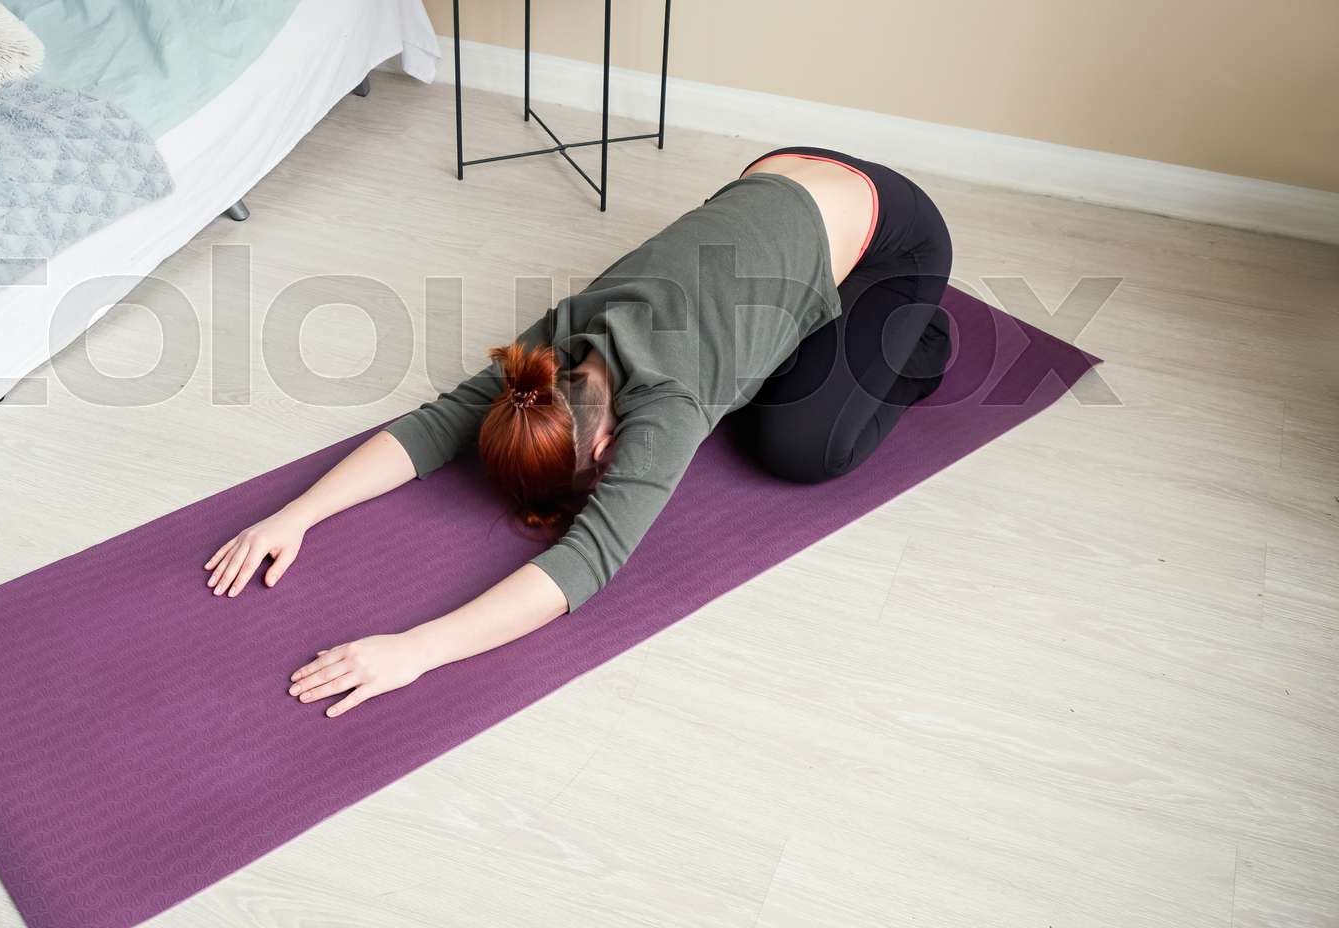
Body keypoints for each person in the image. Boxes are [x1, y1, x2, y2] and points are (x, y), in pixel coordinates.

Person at [204, 147, 952, 717]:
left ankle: (920, 340)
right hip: (777, 176)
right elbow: (438, 425)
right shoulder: (554, 347)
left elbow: (587, 561)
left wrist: (417, 651)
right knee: (763, 370)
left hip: (894, 234)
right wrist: (294, 514)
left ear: (606, 449)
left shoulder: (671, 401)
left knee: (799, 447)